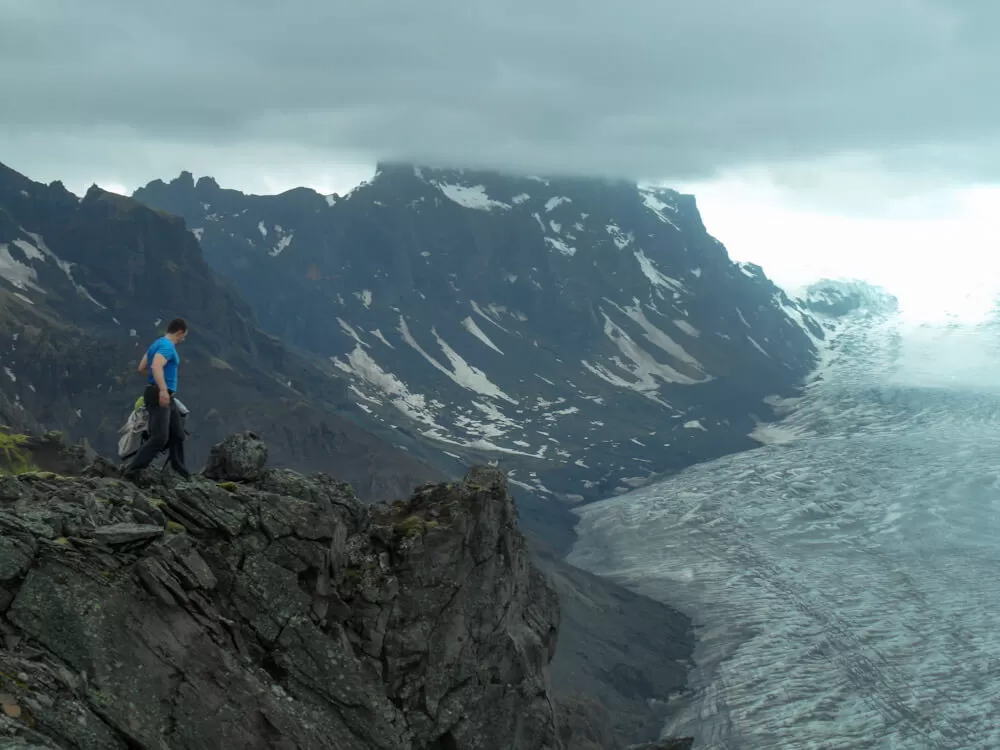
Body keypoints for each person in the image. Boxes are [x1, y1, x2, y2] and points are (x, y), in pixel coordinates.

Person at [122, 318, 192, 481]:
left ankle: (179, 469)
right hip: (160, 394)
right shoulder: (168, 347)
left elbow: (142, 368)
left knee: (178, 433)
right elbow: (155, 366)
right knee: (160, 437)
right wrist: (161, 389)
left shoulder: (156, 344)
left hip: (162, 393)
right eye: (184, 336)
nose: (183, 339)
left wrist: (156, 383)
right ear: (179, 332)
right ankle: (133, 470)